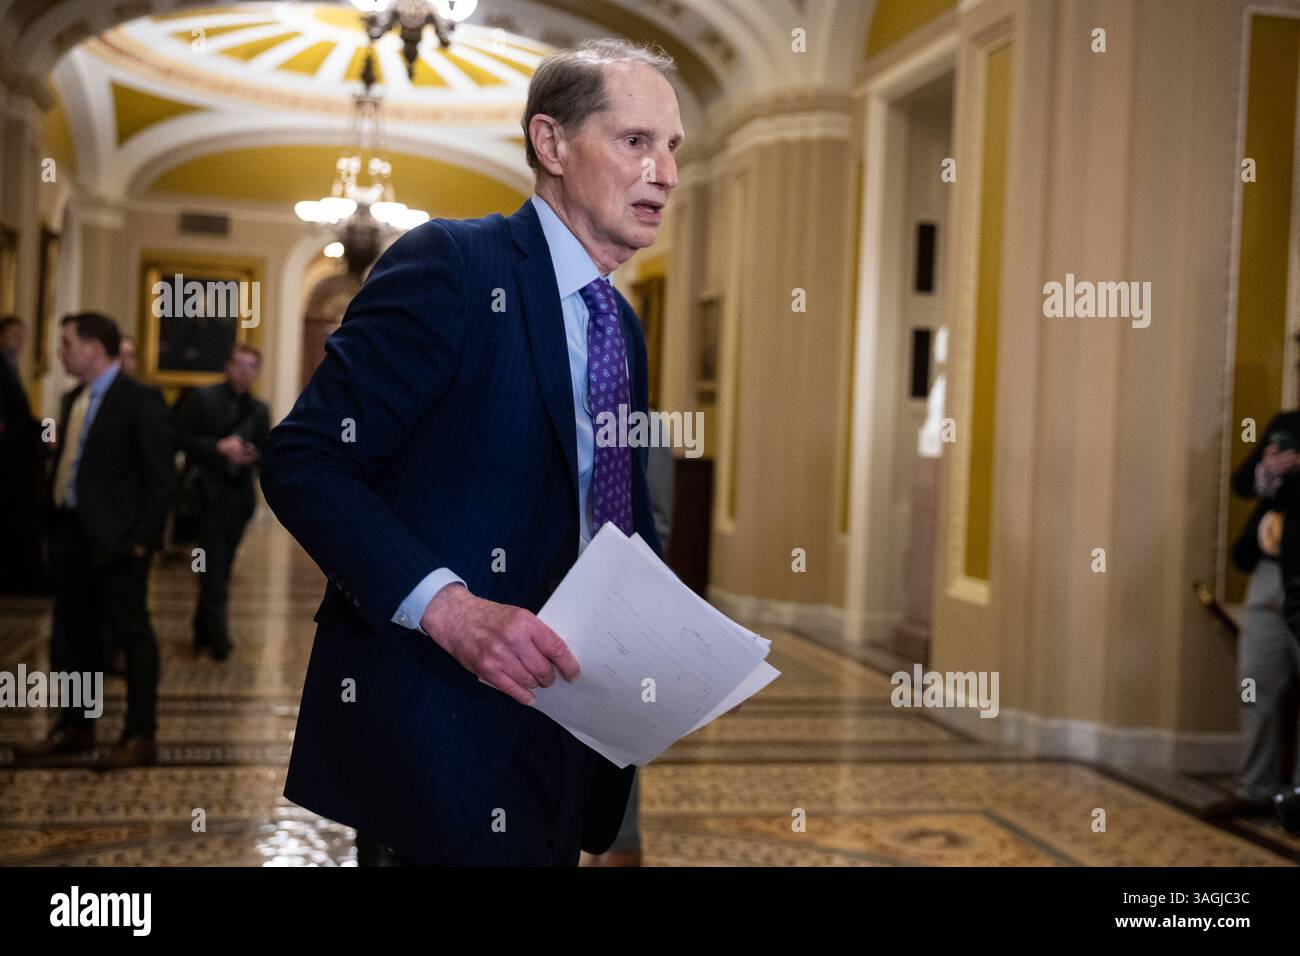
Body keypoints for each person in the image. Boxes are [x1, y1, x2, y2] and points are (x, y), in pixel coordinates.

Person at [259, 39, 682, 866]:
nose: (665, 173)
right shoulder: (454, 265)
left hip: (572, 725)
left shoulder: (619, 326)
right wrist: (452, 611)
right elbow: (306, 459)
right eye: (636, 142)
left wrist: (675, 652)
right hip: (441, 729)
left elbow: (613, 513)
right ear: (551, 144)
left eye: (674, 149)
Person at [17, 313, 175, 770]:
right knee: (72, 638)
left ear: (93, 347)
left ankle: (140, 734)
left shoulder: (139, 398)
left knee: (131, 634)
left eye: (66, 343)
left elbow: (161, 477)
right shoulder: (74, 399)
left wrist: (143, 540)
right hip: (70, 535)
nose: (61, 352)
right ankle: (76, 725)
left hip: (120, 543)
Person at [1212, 411, 1300, 819]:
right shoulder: (1286, 423)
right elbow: (1243, 482)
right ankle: (1254, 787)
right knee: (1253, 680)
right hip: (1268, 570)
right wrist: (1268, 470)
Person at [176, 344, 269, 660]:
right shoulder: (203, 399)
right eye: (239, 364)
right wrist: (218, 447)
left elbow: (266, 450)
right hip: (205, 498)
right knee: (211, 566)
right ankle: (219, 639)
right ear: (228, 366)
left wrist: (252, 455)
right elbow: (180, 439)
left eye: (251, 366)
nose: (244, 371)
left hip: (238, 500)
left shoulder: (259, 409)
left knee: (222, 566)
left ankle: (202, 628)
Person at [0, 316, 45, 594]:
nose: (20, 342)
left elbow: (23, 416)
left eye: (23, 336)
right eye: (15, 335)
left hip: (17, 454)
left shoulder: (12, 368)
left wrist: (48, 432)